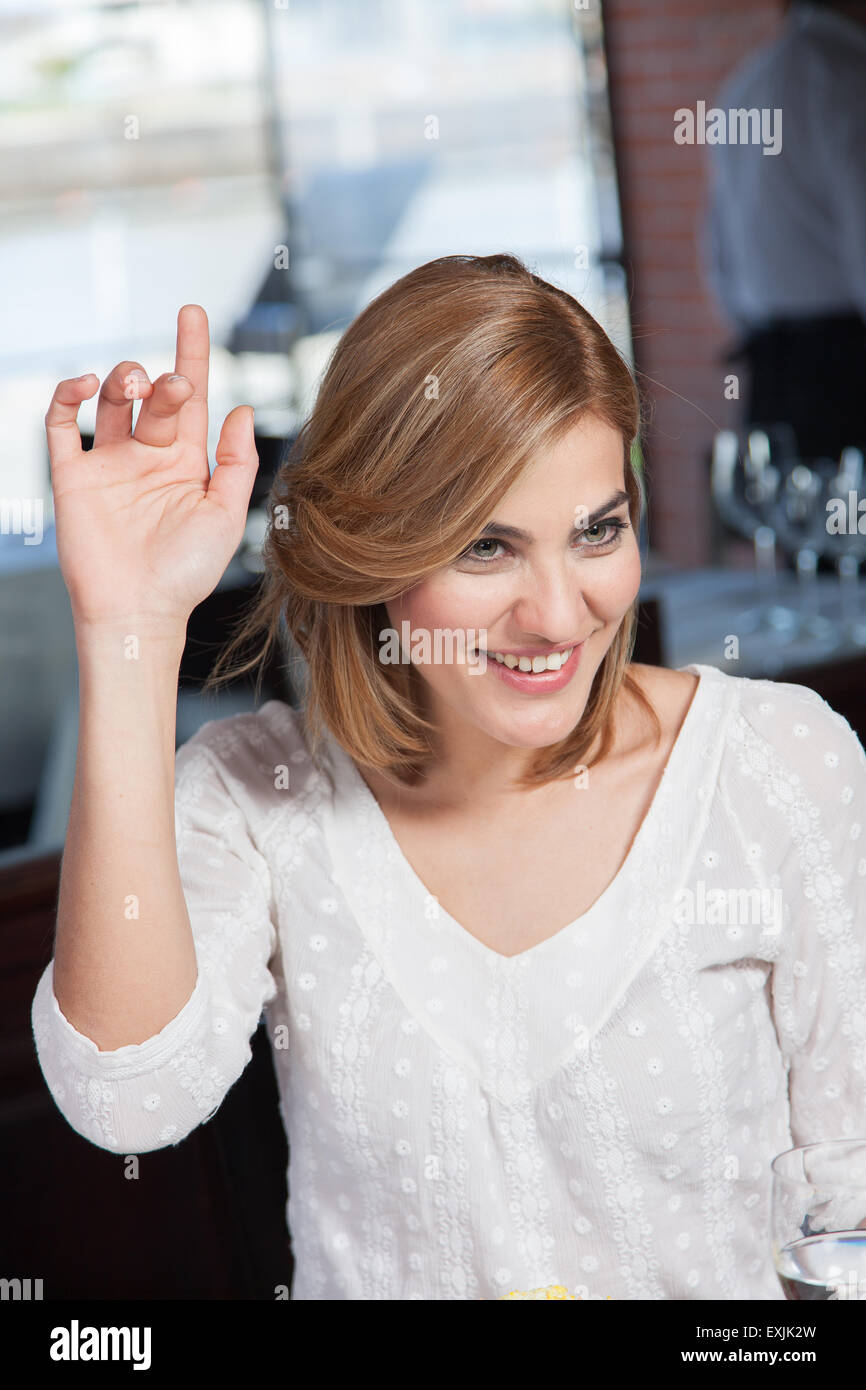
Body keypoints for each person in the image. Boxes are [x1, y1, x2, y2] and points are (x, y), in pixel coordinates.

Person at [31, 254, 866, 1300]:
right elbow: (125, 1099)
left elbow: (853, 1209)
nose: (559, 615)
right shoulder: (257, 797)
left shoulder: (778, 767)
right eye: (485, 546)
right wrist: (129, 628)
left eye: (596, 530)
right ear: (376, 551)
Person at [704, 0, 866, 460]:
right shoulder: (849, 78)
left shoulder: (744, 86)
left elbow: (718, 255)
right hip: (846, 375)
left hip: (772, 374)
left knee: (790, 524)